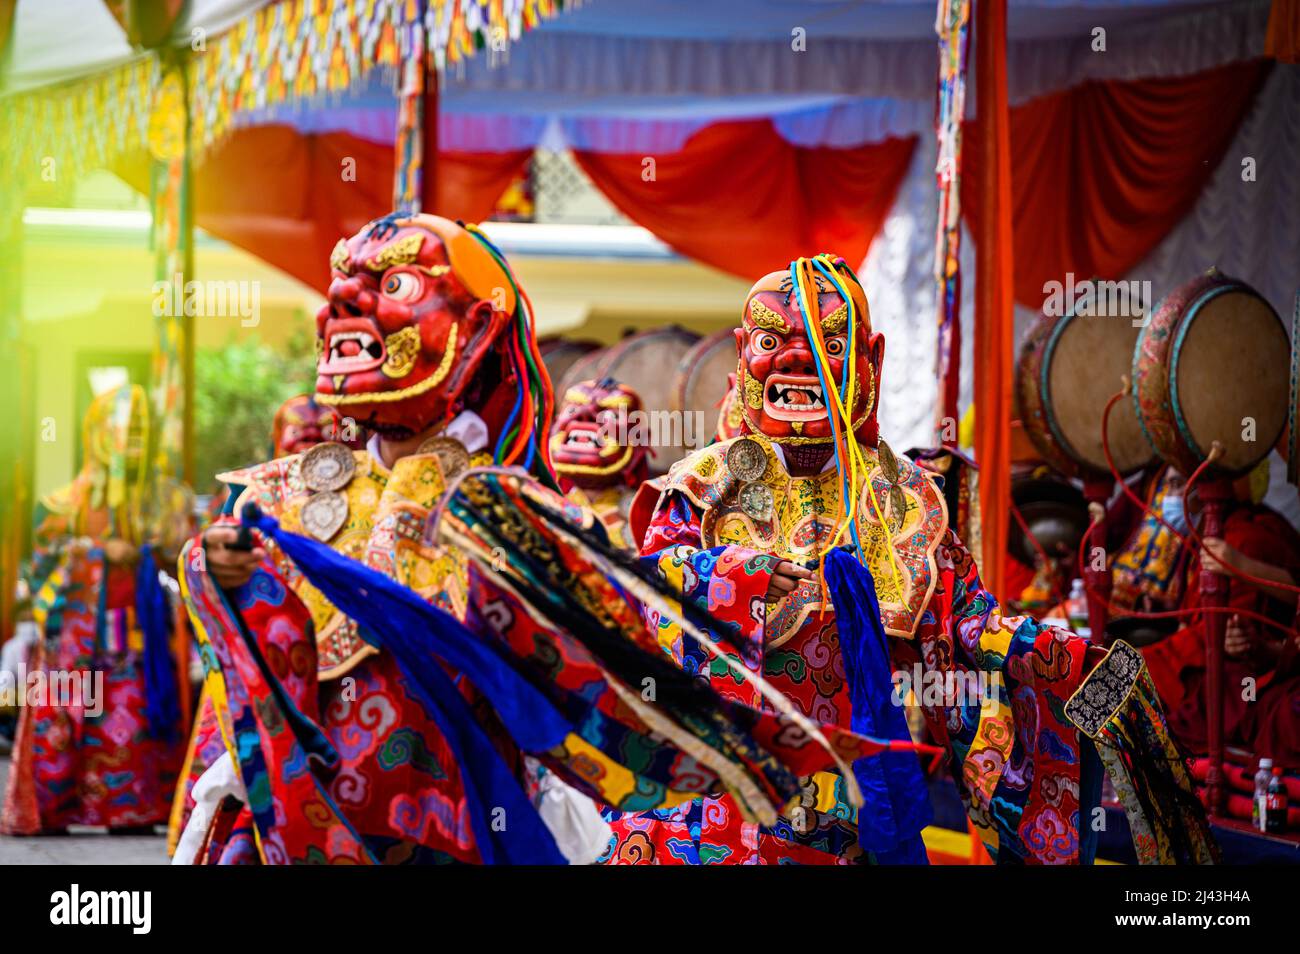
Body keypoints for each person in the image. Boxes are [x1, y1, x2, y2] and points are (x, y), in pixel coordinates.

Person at [602, 255, 1213, 865]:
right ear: (742, 353)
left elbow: (964, 621)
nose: (794, 359)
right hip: (722, 800)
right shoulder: (703, 486)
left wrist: (1055, 654)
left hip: (848, 804)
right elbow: (649, 592)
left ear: (871, 358)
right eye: (770, 341)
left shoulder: (906, 497)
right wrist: (736, 577)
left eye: (828, 342)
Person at [1, 384, 189, 835]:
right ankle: (56, 810)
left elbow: (184, 552)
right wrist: (100, 552)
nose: (132, 440)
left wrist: (156, 549)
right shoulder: (65, 504)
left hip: (140, 636)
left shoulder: (164, 500)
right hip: (77, 639)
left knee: (134, 721)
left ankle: (131, 811)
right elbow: (46, 561)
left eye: (142, 429)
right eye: (122, 428)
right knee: (65, 718)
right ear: (96, 432)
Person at [550, 377, 649, 551]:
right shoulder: (548, 502)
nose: (585, 415)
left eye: (612, 415)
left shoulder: (643, 517)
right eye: (572, 409)